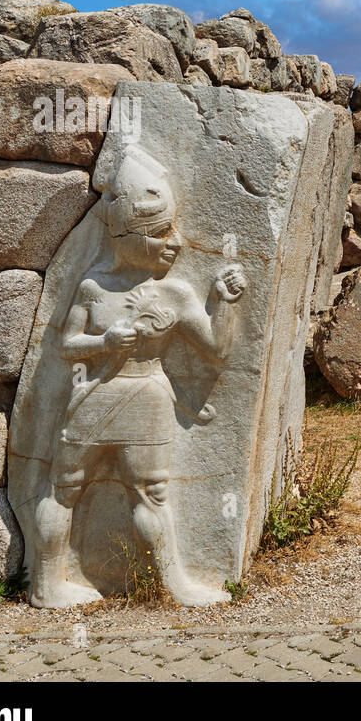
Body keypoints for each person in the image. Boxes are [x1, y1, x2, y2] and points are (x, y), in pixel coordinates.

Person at [31, 148, 247, 608]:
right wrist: (106, 341)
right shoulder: (93, 287)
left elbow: (216, 353)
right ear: (125, 236)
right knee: (64, 488)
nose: (176, 243)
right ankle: (46, 585)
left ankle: (173, 584)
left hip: (148, 396)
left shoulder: (177, 292)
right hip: (92, 395)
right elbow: (66, 346)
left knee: (152, 494)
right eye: (160, 233)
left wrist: (224, 304)